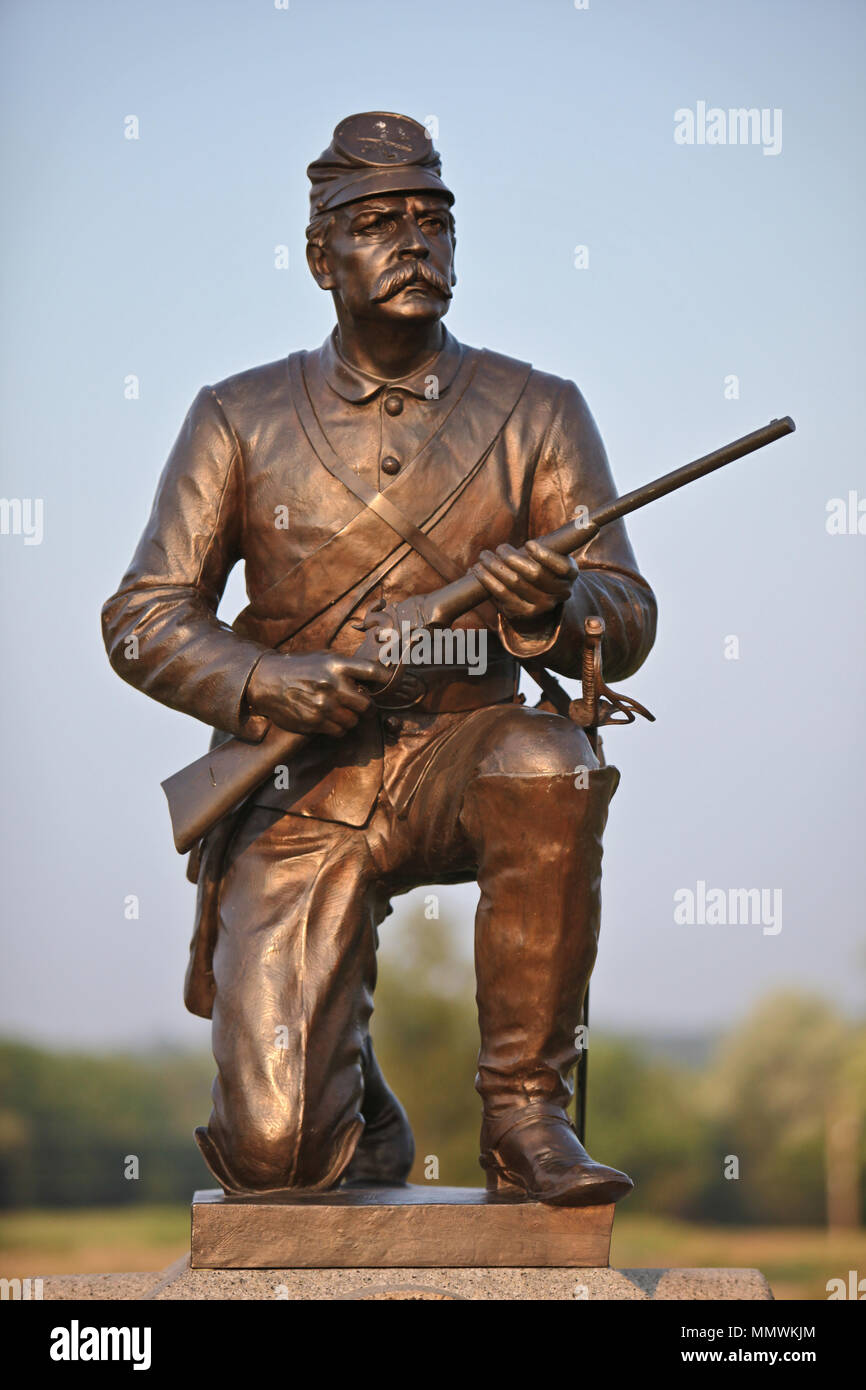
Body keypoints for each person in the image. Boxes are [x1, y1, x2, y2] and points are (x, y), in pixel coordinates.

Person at [102, 112, 657, 1204]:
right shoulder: (237, 416)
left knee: (549, 758)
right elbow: (143, 614)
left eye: (431, 219)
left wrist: (551, 611)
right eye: (375, 222)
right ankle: (343, 1090)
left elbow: (627, 617)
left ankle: (522, 1119)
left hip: (467, 749)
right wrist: (268, 680)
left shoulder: (537, 410)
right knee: (274, 1159)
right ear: (322, 257)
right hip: (303, 781)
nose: (412, 240)